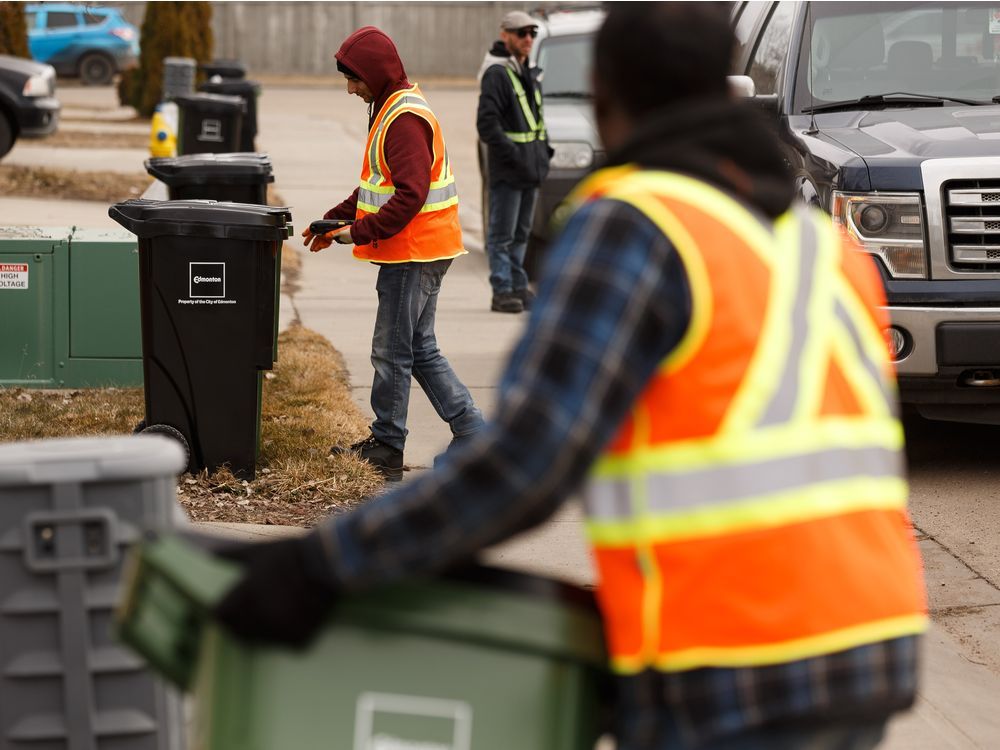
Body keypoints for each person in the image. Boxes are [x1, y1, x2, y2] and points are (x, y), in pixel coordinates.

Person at [216, 5, 928, 749]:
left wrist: (319, 568)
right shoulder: (824, 247)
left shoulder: (640, 224)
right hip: (870, 639)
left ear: (608, 96)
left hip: (736, 655)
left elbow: (525, 463)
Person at [302, 26, 485, 482]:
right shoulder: (389, 106)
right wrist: (334, 219)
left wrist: (356, 233)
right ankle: (472, 432)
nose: (350, 88)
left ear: (376, 73)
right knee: (418, 348)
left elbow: (410, 196)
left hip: (413, 252)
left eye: (354, 79)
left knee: (391, 351)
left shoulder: (403, 118)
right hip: (423, 248)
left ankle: (387, 444)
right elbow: (375, 187)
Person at [476, 10, 552, 313]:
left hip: (529, 169)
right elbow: (487, 125)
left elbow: (537, 122)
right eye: (521, 33)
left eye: (531, 33)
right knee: (502, 235)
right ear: (504, 34)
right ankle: (502, 290)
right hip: (510, 171)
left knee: (522, 234)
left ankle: (518, 286)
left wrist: (543, 155)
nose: (528, 39)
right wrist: (515, 155)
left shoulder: (528, 70)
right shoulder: (497, 73)